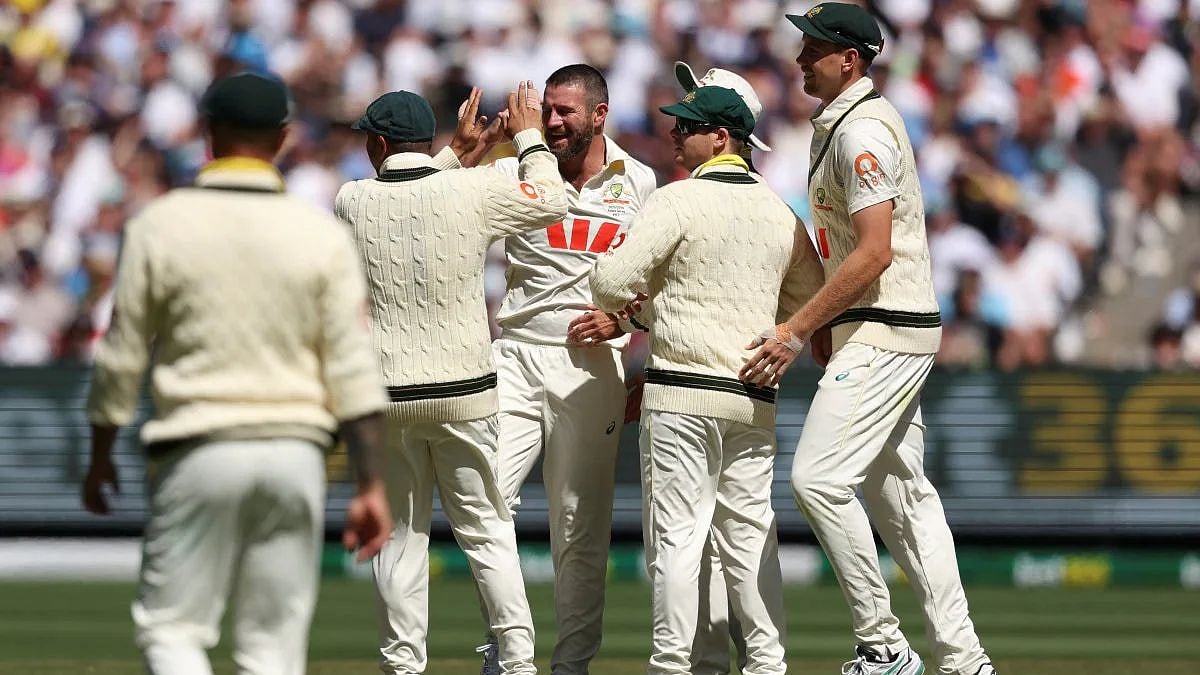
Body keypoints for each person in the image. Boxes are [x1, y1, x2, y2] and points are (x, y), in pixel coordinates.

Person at [80, 72, 393, 675]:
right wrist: (371, 484)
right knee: (272, 648)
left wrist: (99, 455)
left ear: (207, 133)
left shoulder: (160, 225)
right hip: (294, 454)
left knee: (172, 631)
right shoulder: (319, 234)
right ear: (283, 137)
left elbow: (121, 354)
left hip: (198, 447)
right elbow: (353, 369)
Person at [740, 4, 998, 675]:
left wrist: (798, 328)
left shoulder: (865, 134)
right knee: (909, 503)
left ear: (849, 59)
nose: (799, 57)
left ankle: (883, 644)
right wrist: (828, 322)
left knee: (818, 479)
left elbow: (875, 252)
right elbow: (847, 246)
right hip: (877, 326)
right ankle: (966, 660)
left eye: (813, 48)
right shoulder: (841, 123)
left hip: (889, 329)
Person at [334, 83, 567, 675]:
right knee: (488, 533)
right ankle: (517, 664)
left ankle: (404, 666)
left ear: (379, 142)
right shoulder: (473, 189)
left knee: (400, 540)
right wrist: (527, 136)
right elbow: (550, 198)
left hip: (388, 397)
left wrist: (453, 153)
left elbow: (410, 196)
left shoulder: (351, 200)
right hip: (465, 391)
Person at [591, 83, 821, 675]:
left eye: (686, 128)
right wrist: (777, 336)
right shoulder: (779, 213)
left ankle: (672, 665)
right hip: (750, 396)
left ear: (721, 139)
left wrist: (651, 303)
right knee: (749, 541)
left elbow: (610, 284)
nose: (674, 135)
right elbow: (809, 300)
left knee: (677, 542)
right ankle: (768, 665)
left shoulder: (676, 201)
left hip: (682, 394)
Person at [454, 63, 658, 675]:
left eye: (567, 110)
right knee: (485, 504)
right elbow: (436, 210)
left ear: (599, 115)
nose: (552, 120)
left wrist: (625, 327)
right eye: (547, 108)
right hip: (514, 356)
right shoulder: (517, 167)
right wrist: (466, 154)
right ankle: (509, 652)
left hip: (594, 368)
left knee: (579, 531)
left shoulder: (639, 181)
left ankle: (570, 667)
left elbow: (661, 278)